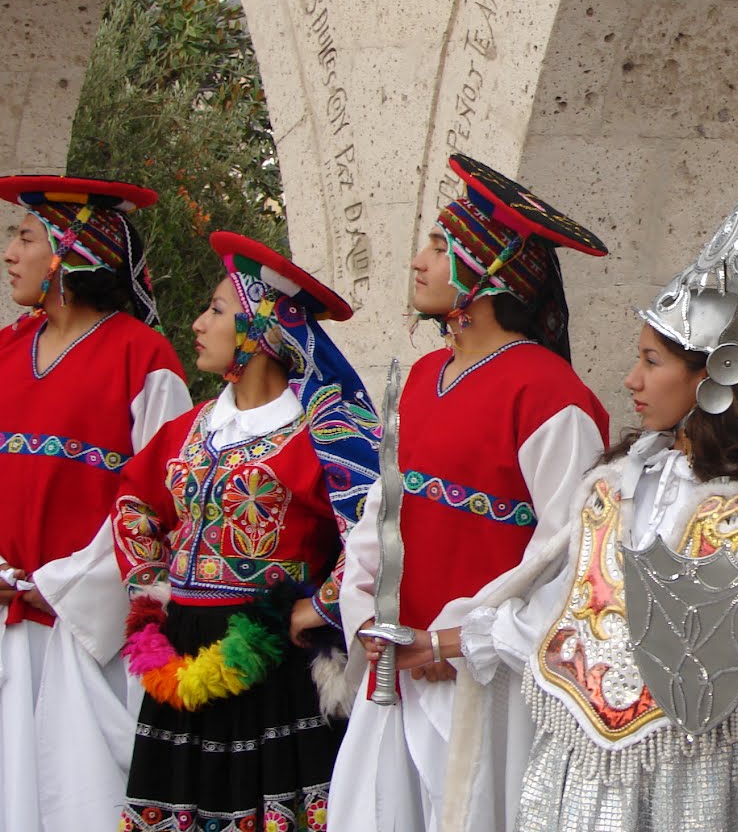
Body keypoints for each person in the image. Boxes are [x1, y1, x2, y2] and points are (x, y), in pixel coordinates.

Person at [367, 154, 738, 832]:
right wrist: (452, 642)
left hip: (696, 774)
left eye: (652, 362)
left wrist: (711, 633)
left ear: (710, 375)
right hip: (586, 775)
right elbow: (564, 610)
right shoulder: (616, 482)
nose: (629, 379)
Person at [333, 154, 610, 832]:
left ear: (487, 273)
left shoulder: (550, 398)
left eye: (438, 246)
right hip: (393, 667)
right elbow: (381, 513)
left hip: (484, 685)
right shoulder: (424, 374)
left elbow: (571, 557)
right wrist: (367, 616)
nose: (419, 261)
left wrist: (458, 641)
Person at [111, 230, 380, 831]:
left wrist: (320, 607)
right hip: (180, 650)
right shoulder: (189, 427)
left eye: (216, 310)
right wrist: (151, 586)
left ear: (260, 331)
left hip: (269, 658)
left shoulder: (316, 437)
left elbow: (371, 529)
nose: (199, 323)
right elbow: (135, 498)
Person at [0, 174, 191, 832]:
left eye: (24, 238)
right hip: (3, 623)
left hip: (85, 638)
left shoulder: (144, 358)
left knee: (78, 804)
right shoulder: (5, 350)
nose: (10, 254)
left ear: (66, 256)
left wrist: (64, 588)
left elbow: (167, 505)